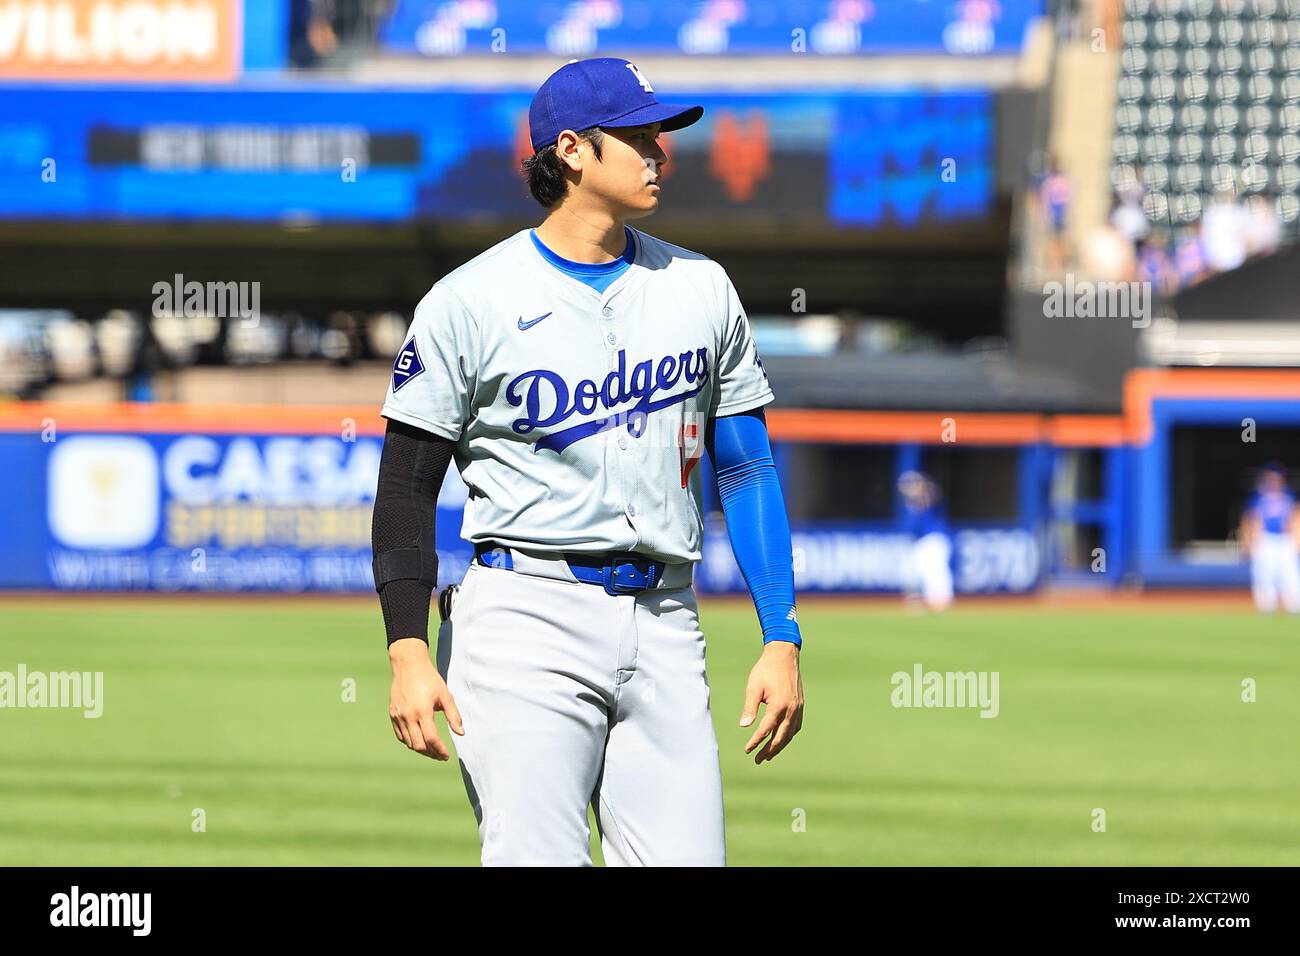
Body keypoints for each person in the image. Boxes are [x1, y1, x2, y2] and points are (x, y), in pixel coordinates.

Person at [369, 57, 805, 866]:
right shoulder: (471, 299)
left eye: (660, 134)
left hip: (668, 620)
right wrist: (406, 651)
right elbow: (405, 487)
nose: (659, 152)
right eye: (638, 135)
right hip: (524, 615)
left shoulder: (701, 287)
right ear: (571, 150)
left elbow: (746, 469)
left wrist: (781, 636)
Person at [1239, 462, 1300, 614]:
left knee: (1290, 575)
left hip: (1285, 539)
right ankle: (1267, 609)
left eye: (1277, 476)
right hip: (1264, 539)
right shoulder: (1258, 496)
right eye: (1271, 476)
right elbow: (1250, 519)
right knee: (1264, 576)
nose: (1274, 479)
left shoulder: (1289, 495)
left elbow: (1295, 517)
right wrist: (1247, 541)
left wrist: (1297, 539)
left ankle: (1294, 607)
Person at [899, 470, 953, 612]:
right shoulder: (910, 503)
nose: (910, 487)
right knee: (916, 570)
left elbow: (934, 493)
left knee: (936, 570)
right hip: (921, 541)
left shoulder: (926, 496)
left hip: (934, 539)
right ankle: (919, 602)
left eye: (913, 483)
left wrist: (923, 487)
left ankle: (941, 603)